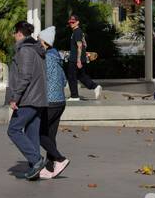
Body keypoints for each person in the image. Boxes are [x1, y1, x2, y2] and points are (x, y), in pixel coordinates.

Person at [6, 21, 47, 180]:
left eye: (14, 33)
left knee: (13, 130)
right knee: (32, 133)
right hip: (38, 97)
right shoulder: (37, 49)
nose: (13, 36)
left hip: (29, 98)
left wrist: (15, 97)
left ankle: (36, 161)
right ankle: (34, 170)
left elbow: (25, 77)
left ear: (19, 33)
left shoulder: (25, 50)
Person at [36, 26, 70, 179]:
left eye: (39, 40)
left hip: (49, 102)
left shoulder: (46, 58)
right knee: (50, 136)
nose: (37, 43)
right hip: (60, 102)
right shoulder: (57, 57)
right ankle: (50, 168)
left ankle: (60, 159)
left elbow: (41, 79)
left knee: (38, 133)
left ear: (45, 42)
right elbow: (63, 81)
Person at [64, 14, 101, 101]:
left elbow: (80, 46)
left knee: (71, 77)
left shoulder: (77, 32)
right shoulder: (79, 32)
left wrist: (78, 60)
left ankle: (74, 96)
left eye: (73, 22)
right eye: (70, 22)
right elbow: (85, 44)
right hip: (78, 58)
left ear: (78, 22)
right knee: (81, 76)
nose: (71, 24)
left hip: (75, 59)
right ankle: (95, 87)